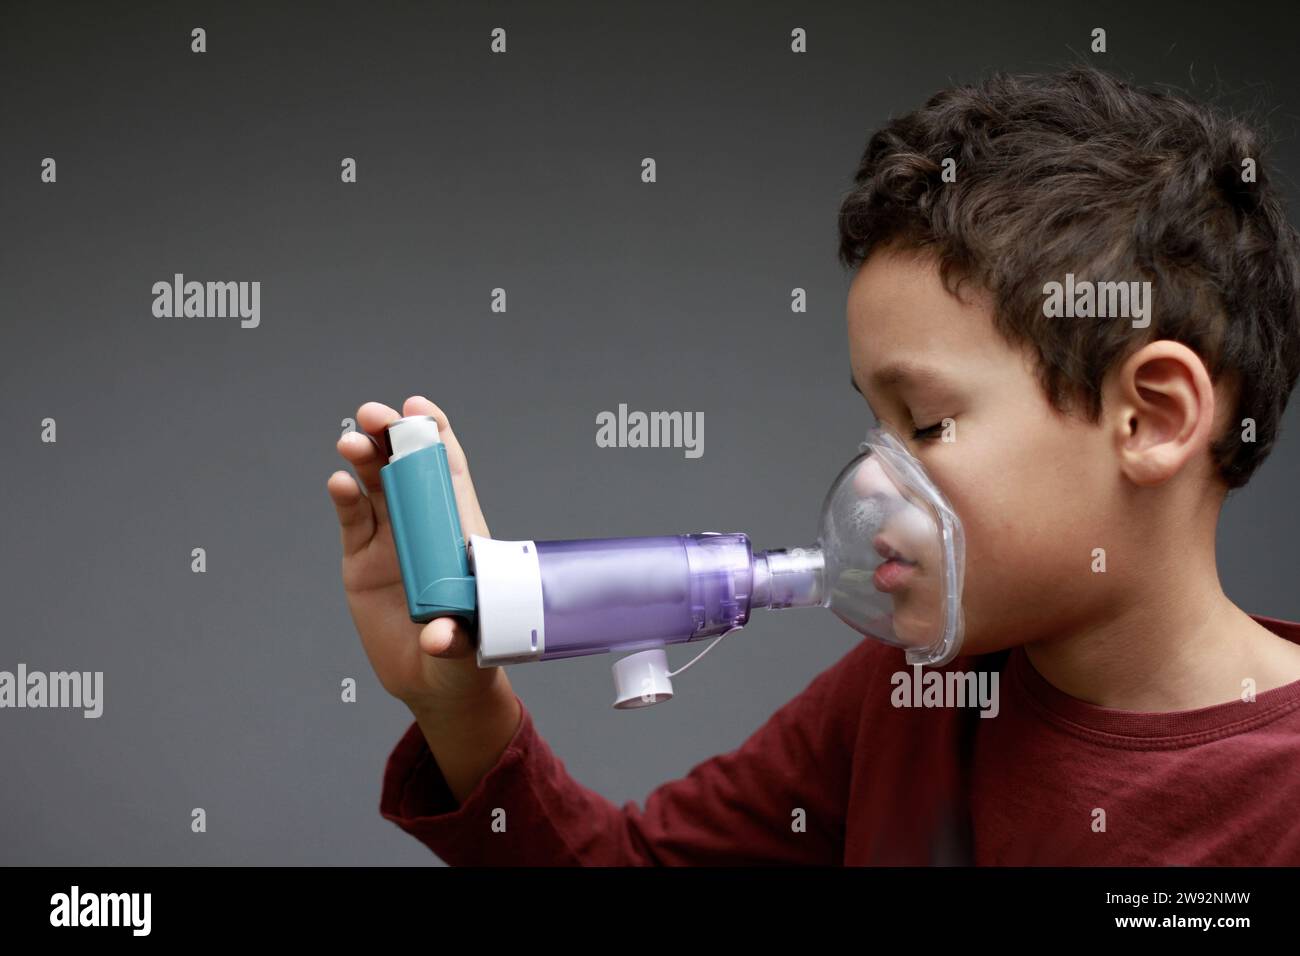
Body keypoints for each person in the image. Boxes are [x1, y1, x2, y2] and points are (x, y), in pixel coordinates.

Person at [327, 67, 1300, 864]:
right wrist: (457, 700)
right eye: (872, 423)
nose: (872, 484)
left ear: (1150, 416)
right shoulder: (907, 699)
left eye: (922, 424)